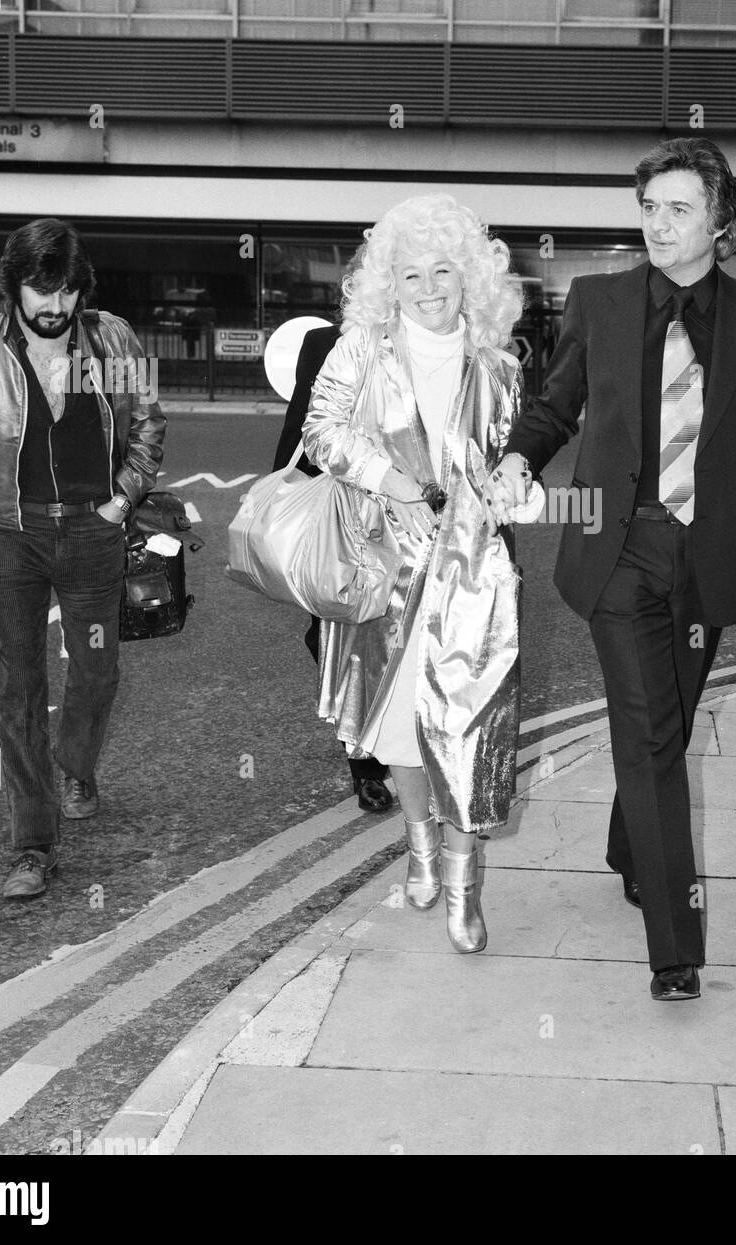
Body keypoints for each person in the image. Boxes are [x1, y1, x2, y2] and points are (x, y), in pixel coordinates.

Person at [487, 138, 736, 1001]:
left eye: (679, 209)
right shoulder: (599, 300)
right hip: (619, 548)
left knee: (664, 726)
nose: (659, 224)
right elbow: (555, 403)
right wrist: (522, 457)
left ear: (721, 222)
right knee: (649, 736)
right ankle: (675, 946)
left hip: (709, 556)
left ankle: (630, 844)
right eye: (649, 208)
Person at [0, 218, 166, 900]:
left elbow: (147, 422)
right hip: (12, 539)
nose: (53, 307)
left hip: (92, 534)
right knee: (18, 687)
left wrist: (123, 498)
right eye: (39, 290)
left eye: (65, 292)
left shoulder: (112, 339)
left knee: (97, 668)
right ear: (13, 288)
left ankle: (75, 761)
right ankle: (33, 843)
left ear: (81, 289)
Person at [302, 194, 527, 953]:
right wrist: (397, 485)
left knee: (468, 730)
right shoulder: (363, 350)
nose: (429, 288)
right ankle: (420, 844)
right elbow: (319, 429)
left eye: (443, 272)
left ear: (470, 279)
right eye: (410, 276)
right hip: (387, 570)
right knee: (398, 731)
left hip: (470, 577)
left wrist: (515, 494)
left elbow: (510, 467)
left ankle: (463, 882)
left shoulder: (498, 367)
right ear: (386, 285)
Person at [272, 295, 393, 814]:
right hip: (340, 518)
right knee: (342, 633)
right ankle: (364, 763)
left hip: (410, 515)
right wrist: (282, 494)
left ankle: (406, 743)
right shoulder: (324, 344)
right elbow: (301, 425)